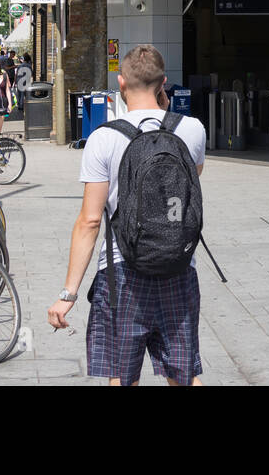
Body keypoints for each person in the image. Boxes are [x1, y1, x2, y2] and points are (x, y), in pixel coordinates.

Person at [46, 44, 208, 386]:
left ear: (121, 84)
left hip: (122, 273)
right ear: (163, 82)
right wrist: (166, 113)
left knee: (121, 376)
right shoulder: (192, 129)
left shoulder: (103, 138)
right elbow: (189, 183)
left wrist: (68, 294)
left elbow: (90, 221)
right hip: (177, 267)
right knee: (184, 374)